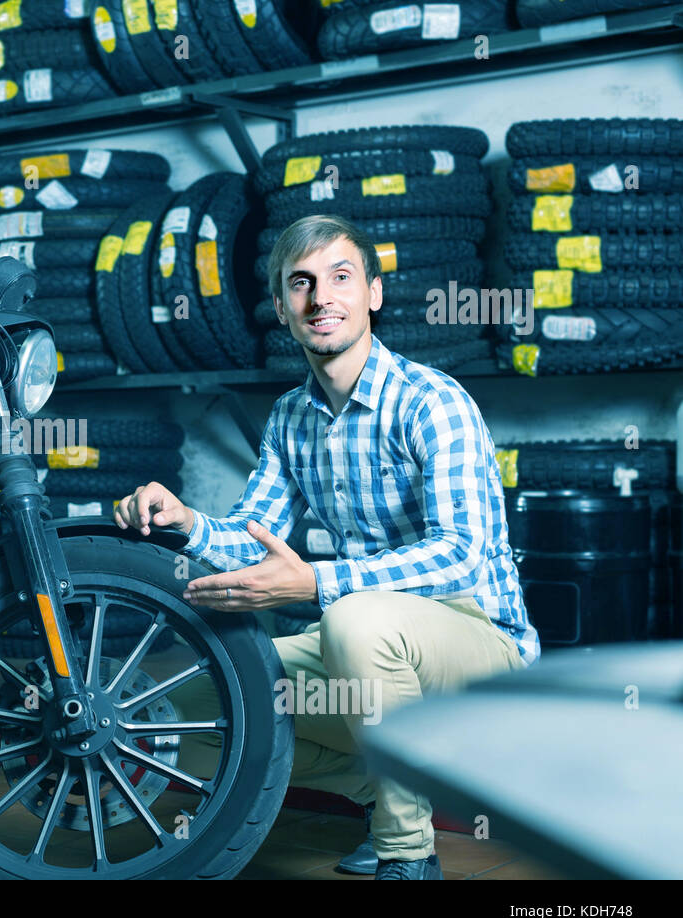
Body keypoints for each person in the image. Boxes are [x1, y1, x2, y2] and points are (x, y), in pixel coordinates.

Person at [113, 213, 539, 880]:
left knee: (352, 615)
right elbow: (250, 537)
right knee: (177, 709)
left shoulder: (433, 402)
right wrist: (185, 520)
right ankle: (382, 788)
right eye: (302, 284)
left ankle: (407, 855)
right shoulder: (290, 417)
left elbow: (460, 553)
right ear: (282, 308)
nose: (322, 298)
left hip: (478, 647)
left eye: (341, 277)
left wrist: (314, 584)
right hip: (366, 648)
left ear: (373, 292)